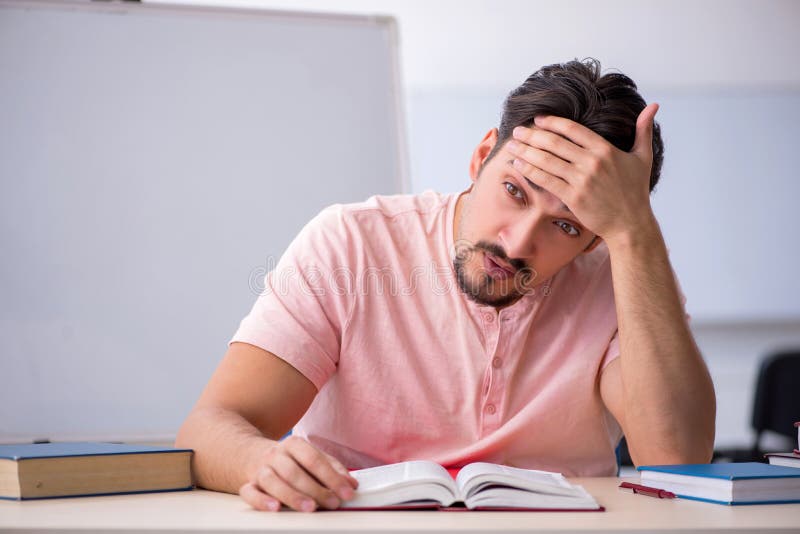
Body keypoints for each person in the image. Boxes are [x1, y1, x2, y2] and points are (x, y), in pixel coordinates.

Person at [175, 58, 716, 512]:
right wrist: (261, 461)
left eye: (568, 225)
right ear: (481, 157)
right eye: (514, 190)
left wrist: (636, 232)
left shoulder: (627, 271)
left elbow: (676, 459)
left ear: (597, 239)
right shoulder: (351, 243)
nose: (519, 242)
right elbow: (208, 428)